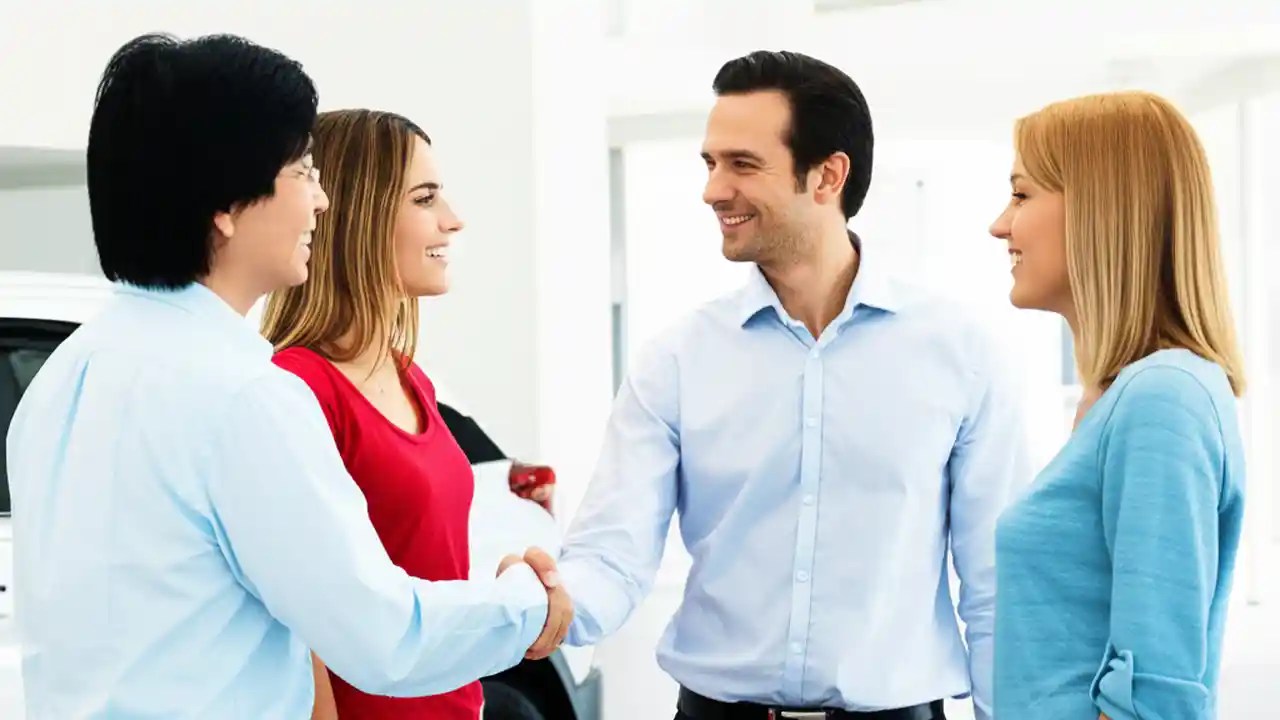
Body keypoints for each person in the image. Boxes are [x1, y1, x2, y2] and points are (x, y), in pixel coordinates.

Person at [4, 33, 569, 719]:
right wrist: (524, 602)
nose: (321, 203)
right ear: (226, 205)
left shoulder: (61, 380)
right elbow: (382, 636)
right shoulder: (243, 393)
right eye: (303, 172)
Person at [556, 50, 1030, 720]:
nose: (713, 190)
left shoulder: (959, 353)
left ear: (828, 175)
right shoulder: (678, 359)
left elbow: (994, 586)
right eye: (710, 163)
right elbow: (613, 555)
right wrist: (550, 602)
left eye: (742, 165)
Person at [260, 108, 562, 720]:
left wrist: (502, 587)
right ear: (359, 217)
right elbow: (299, 620)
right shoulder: (298, 388)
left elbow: (418, 560)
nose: (453, 220)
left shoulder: (410, 377)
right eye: (425, 198)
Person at [989, 91, 1247, 719]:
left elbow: (1153, 694)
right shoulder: (1122, 399)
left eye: (1021, 195)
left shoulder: (1163, 399)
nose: (1001, 224)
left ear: (1100, 211)